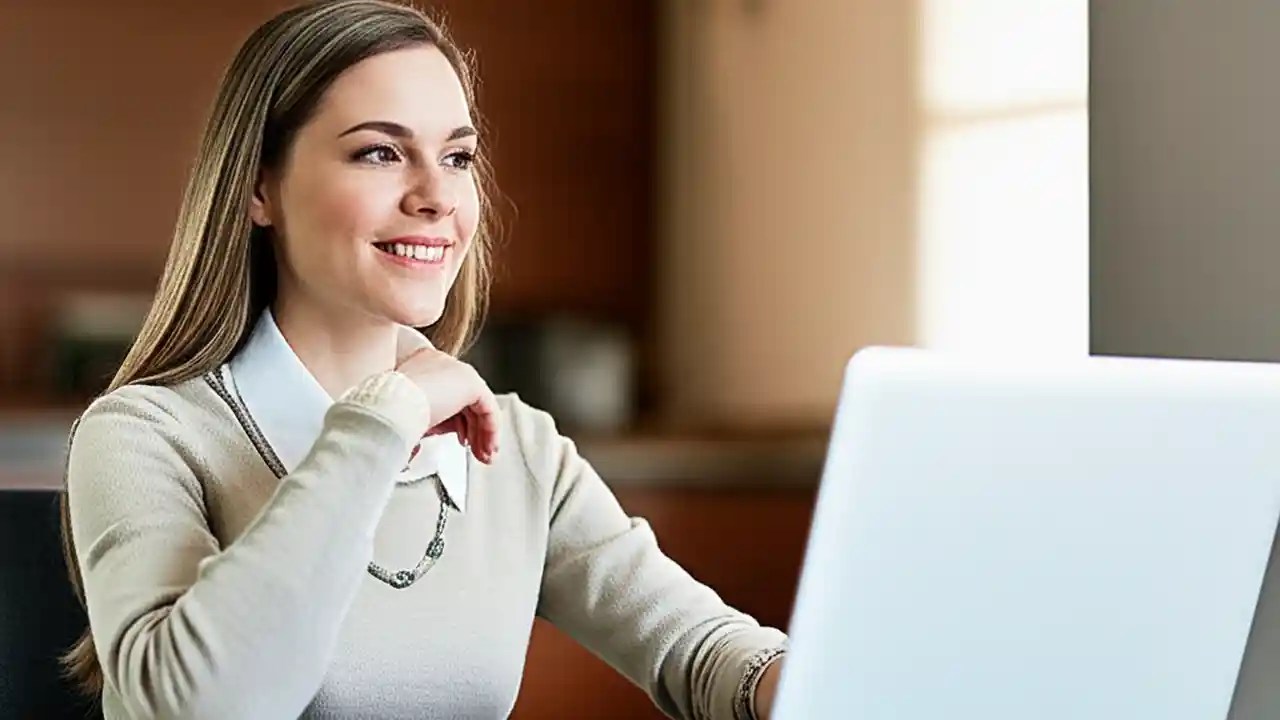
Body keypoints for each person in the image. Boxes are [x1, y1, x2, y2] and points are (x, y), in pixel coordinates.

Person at [58, 1, 788, 718]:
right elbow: (203, 706)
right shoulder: (144, 435)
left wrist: (800, 678)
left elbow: (701, 653)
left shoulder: (518, 449)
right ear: (258, 186)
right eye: (380, 152)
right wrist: (382, 420)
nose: (437, 196)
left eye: (457, 156)